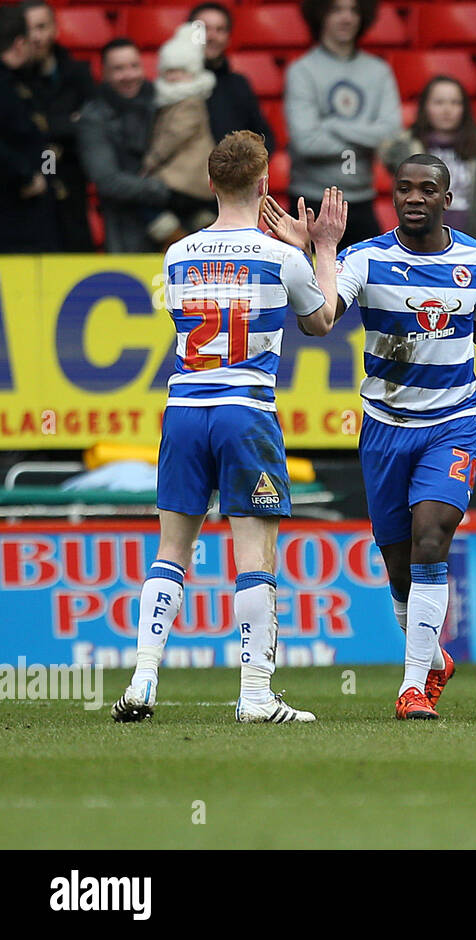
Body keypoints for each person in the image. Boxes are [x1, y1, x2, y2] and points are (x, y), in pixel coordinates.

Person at [111, 131, 345, 724]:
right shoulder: (282, 257)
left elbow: (182, 321)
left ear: (211, 183)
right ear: (265, 183)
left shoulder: (178, 254)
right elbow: (321, 323)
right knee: (255, 554)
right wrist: (321, 246)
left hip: (185, 411)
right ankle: (256, 695)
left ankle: (142, 682)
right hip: (246, 414)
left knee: (171, 549)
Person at [307, 153, 476, 720]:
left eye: (426, 189)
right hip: (385, 428)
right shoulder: (364, 258)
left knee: (431, 542)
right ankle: (434, 659)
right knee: (398, 568)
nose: (414, 197)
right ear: (394, 197)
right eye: (404, 189)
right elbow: (317, 317)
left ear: (447, 197)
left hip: (453, 425)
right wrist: (319, 249)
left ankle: (412, 687)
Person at [286, 0, 400, 247]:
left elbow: (391, 134)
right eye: (336, 9)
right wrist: (367, 137)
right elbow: (306, 142)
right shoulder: (302, 70)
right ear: (321, 15)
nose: (347, 18)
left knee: (367, 285)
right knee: (308, 284)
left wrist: (331, 125)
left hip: (360, 203)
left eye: (354, 10)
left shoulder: (378, 71)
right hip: (310, 204)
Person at [79, 39, 204, 253]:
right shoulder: (93, 117)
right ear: (104, 73)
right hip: (126, 232)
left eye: (134, 66)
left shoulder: (164, 101)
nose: (129, 75)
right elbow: (107, 180)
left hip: (182, 224)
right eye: (119, 68)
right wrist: (165, 190)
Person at [380, 74, 476, 255]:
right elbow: (385, 155)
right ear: (425, 106)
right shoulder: (407, 144)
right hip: (418, 245)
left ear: (464, 108)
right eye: (439, 102)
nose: (447, 110)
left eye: (455, 102)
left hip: (474, 245)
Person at [21, 0, 94, 250]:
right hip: (28, 188)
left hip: (73, 185)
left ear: (55, 29)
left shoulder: (77, 73)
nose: (35, 36)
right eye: (28, 29)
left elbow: (92, 124)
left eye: (41, 27)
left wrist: (46, 128)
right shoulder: (10, 78)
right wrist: (64, 124)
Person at [140, 25, 218, 245]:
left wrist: (151, 160)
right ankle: (197, 230)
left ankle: (178, 241)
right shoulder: (173, 100)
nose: (174, 78)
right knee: (190, 213)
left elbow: (174, 135)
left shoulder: (190, 102)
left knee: (146, 204)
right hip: (184, 178)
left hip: (186, 177)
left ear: (192, 73)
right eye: (169, 71)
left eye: (180, 71)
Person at [0, 5, 58, 253]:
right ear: (19, 43)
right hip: (13, 205)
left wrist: (48, 172)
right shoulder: (7, 85)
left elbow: (44, 144)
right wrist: (26, 175)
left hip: (35, 203)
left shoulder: (24, 81)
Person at [188, 2, 277, 153]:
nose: (211, 36)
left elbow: (265, 140)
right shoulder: (171, 85)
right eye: (203, 29)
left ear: (228, 38)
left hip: (230, 173)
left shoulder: (239, 84)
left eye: (220, 29)